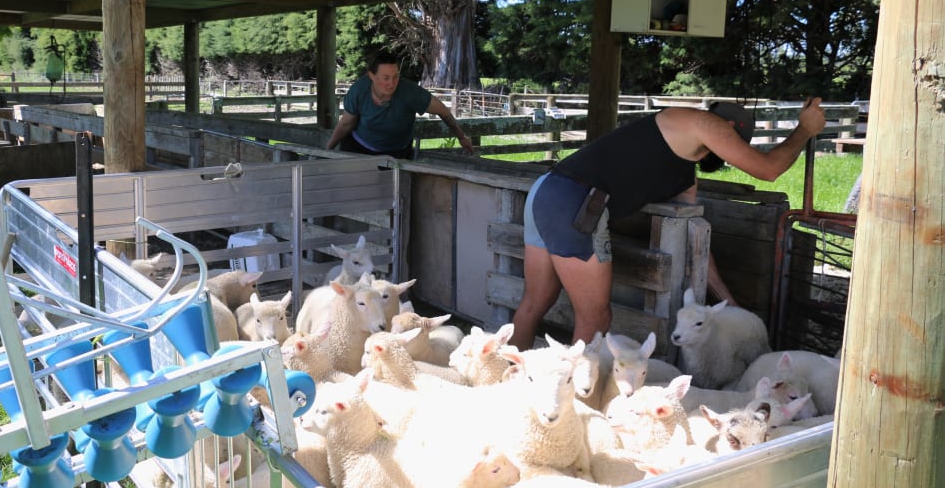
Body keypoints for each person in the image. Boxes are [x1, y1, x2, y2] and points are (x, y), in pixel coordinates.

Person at [510, 98, 826, 350]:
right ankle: (575, 399)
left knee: (535, 302)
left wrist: (729, 303)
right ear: (727, 128)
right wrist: (805, 130)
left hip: (549, 190)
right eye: (734, 142)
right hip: (577, 202)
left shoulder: (685, 176)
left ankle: (510, 377)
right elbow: (768, 169)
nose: (729, 154)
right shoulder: (701, 121)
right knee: (595, 316)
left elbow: (694, 236)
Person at [326, 51, 475, 158]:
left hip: (397, 153)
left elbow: (443, 111)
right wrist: (329, 150)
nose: (391, 83)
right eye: (385, 78)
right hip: (359, 149)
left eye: (395, 76)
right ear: (371, 76)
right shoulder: (359, 91)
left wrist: (461, 137)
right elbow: (346, 124)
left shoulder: (410, 92)